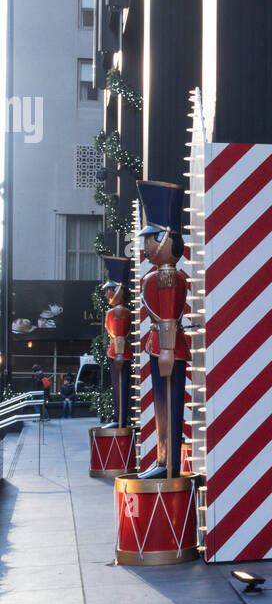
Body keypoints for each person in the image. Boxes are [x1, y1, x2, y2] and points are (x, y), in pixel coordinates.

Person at [137, 181, 189, 479]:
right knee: (162, 405)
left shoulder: (167, 276)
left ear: (168, 239)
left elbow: (168, 317)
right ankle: (162, 458)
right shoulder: (160, 275)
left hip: (166, 347)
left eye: (151, 239)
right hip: (161, 346)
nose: (145, 247)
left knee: (168, 404)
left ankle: (167, 462)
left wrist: (167, 348)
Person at [101, 257, 133, 428]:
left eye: (109, 290)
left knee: (119, 387)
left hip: (119, 354)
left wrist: (119, 354)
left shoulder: (117, 312)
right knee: (119, 387)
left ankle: (119, 418)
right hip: (119, 353)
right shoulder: (121, 310)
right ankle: (119, 417)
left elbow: (119, 336)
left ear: (118, 290)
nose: (107, 294)